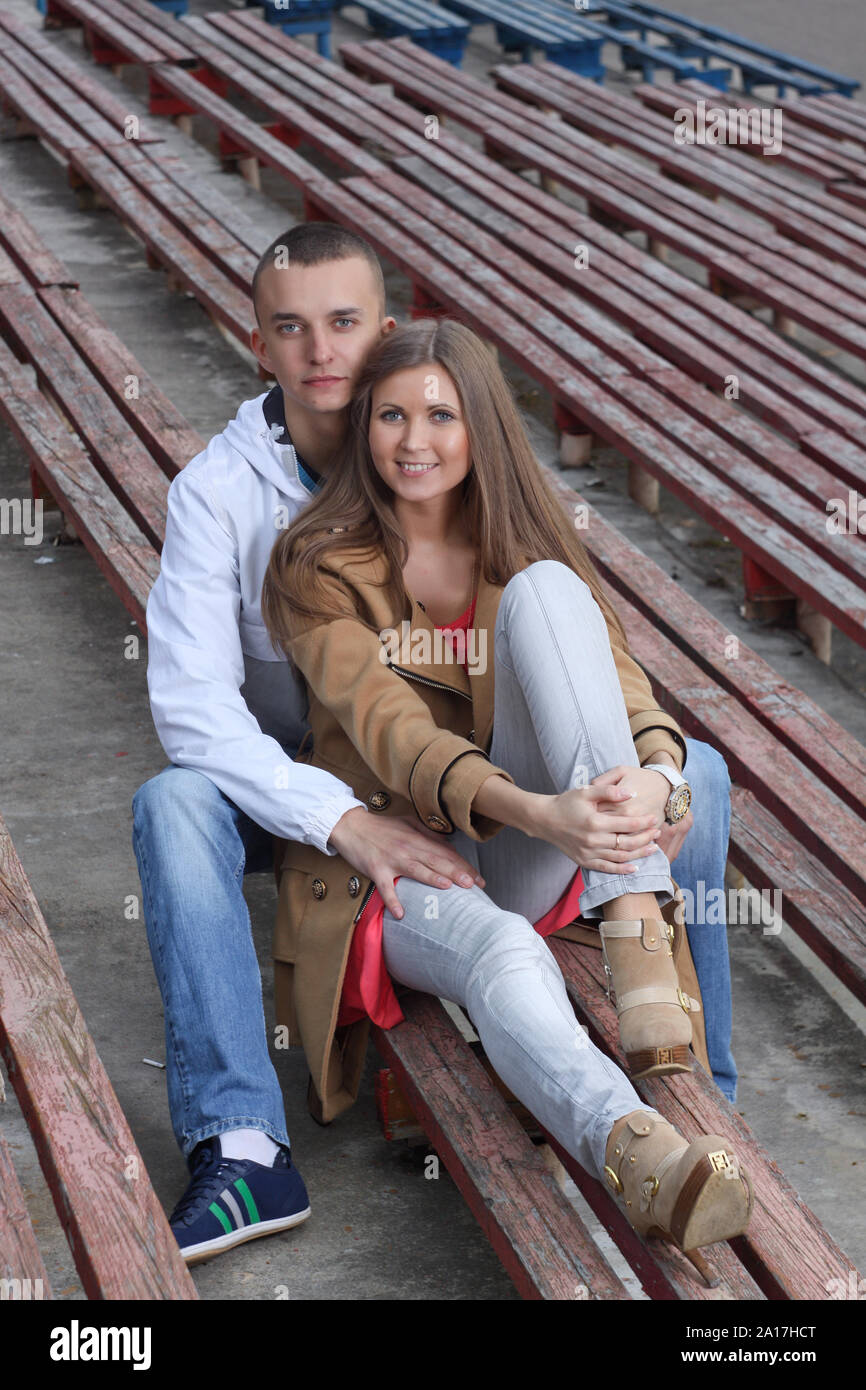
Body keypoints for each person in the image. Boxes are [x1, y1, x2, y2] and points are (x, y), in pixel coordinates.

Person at [132, 221, 735, 1270]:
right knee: (172, 798)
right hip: (326, 806)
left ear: (387, 332)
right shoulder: (264, 524)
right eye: (290, 327)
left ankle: (700, 1076)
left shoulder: (506, 525)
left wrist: (651, 769)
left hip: (482, 817)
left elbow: (612, 673)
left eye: (345, 324)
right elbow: (217, 713)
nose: (321, 351)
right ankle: (240, 1144)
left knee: (698, 770)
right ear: (258, 340)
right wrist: (347, 818)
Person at [260, 317, 752, 1268]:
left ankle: (635, 918)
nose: (413, 440)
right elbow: (388, 730)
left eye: (441, 415)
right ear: (363, 429)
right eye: (391, 415)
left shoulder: (525, 544)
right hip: (394, 867)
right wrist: (540, 813)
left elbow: (630, 694)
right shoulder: (319, 562)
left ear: (481, 426)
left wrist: (657, 779)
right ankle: (633, 1150)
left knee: (550, 596)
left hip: (546, 849)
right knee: (501, 952)